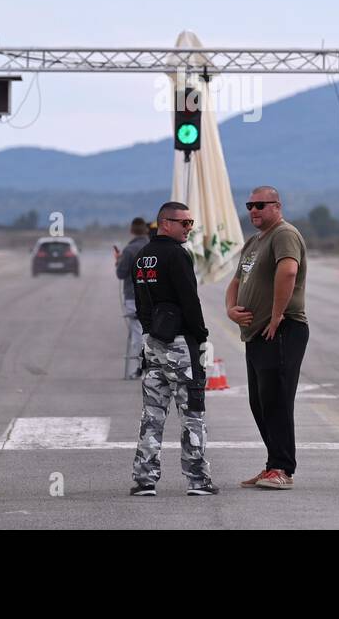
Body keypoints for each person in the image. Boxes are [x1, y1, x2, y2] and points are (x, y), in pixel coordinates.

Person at [130, 201, 216, 497]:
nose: (188, 228)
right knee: (192, 412)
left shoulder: (142, 257)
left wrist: (149, 333)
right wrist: (201, 336)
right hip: (179, 344)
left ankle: (145, 480)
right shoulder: (178, 256)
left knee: (152, 414)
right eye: (184, 223)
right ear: (165, 223)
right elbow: (189, 300)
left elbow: (140, 305)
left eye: (191, 223)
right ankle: (197, 480)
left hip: (152, 343)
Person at [225, 186, 308, 490]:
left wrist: (276, 316)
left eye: (260, 205)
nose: (254, 211)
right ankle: (273, 464)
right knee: (260, 402)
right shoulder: (253, 242)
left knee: (277, 400)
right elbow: (237, 280)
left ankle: (283, 469)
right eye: (249, 205)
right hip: (256, 333)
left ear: (277, 206)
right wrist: (231, 310)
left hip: (282, 329)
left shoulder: (283, 234)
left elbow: (288, 272)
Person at [113, 217, 149, 380]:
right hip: (154, 297)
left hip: (133, 297)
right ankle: (153, 367)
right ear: (146, 230)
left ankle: (142, 368)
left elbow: (121, 273)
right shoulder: (152, 247)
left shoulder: (129, 250)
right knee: (151, 332)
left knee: (137, 334)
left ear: (131, 231)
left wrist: (120, 261)